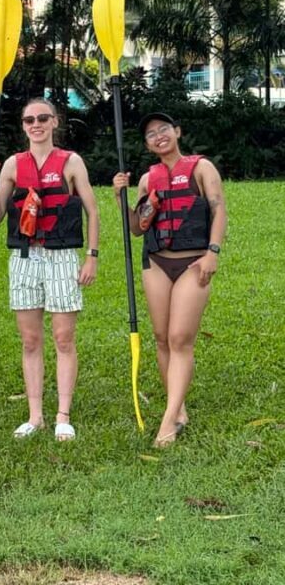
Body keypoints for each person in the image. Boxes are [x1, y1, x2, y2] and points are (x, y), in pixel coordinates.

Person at [0, 98, 99, 442]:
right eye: (29, 119)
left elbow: (92, 211)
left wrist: (91, 256)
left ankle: (63, 414)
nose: (36, 124)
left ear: (54, 122)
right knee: (30, 340)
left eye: (42, 118)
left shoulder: (71, 162)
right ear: (22, 125)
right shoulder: (14, 166)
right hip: (24, 257)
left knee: (63, 338)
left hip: (62, 255)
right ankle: (35, 416)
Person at [112, 112, 227, 448]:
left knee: (180, 338)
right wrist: (122, 197)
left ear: (177, 132)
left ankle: (167, 419)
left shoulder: (201, 168)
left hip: (193, 262)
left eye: (164, 129)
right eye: (151, 134)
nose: (159, 136)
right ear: (148, 145)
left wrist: (213, 252)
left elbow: (219, 210)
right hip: (157, 262)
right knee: (161, 338)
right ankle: (179, 408)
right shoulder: (149, 179)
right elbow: (137, 228)